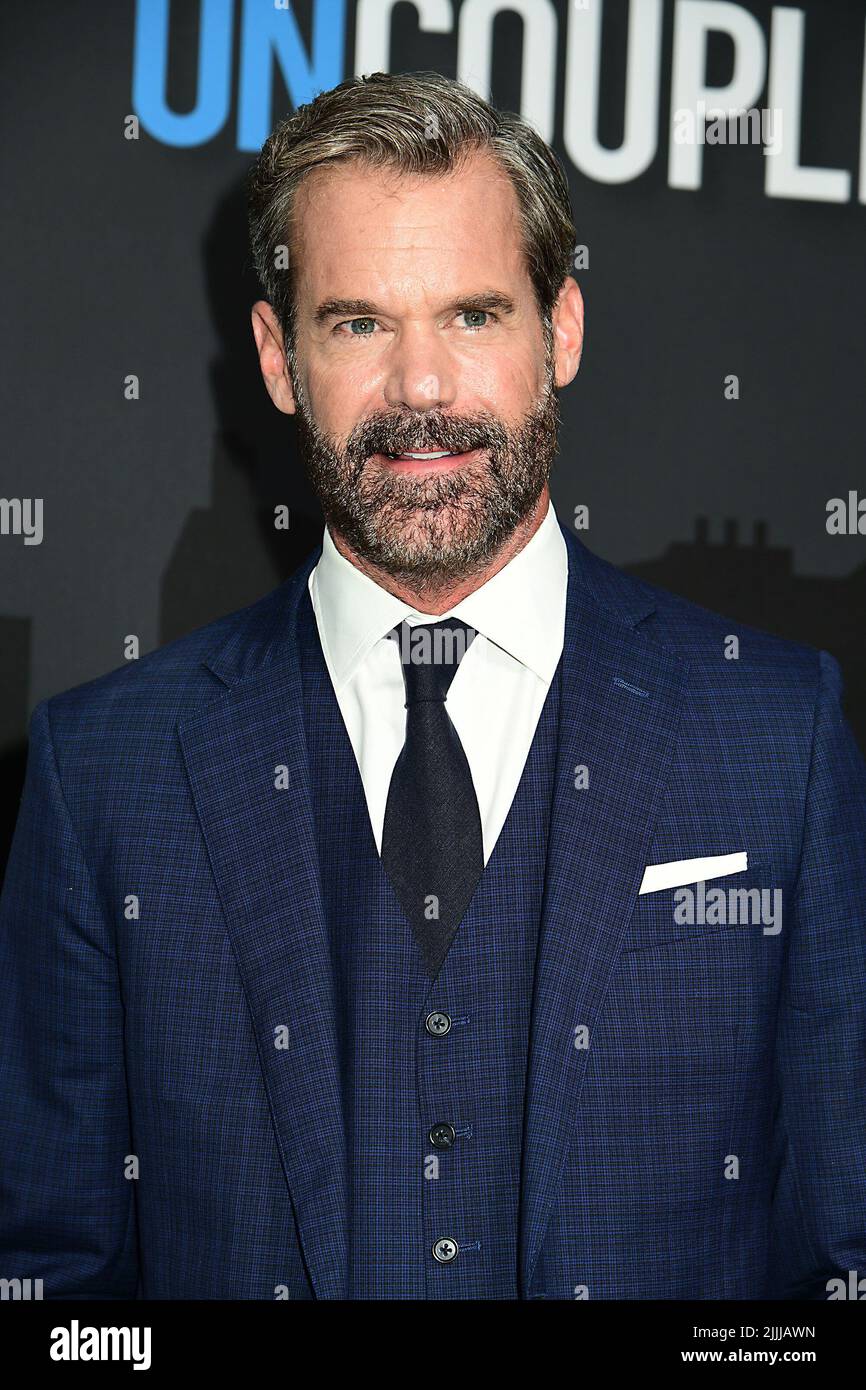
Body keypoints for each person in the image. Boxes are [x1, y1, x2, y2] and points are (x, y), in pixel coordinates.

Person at [1, 70, 864, 1301]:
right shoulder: (105, 769)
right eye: (357, 322)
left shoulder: (776, 735)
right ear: (278, 357)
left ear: (558, 330)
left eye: (470, 314)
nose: (419, 387)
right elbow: (50, 1284)